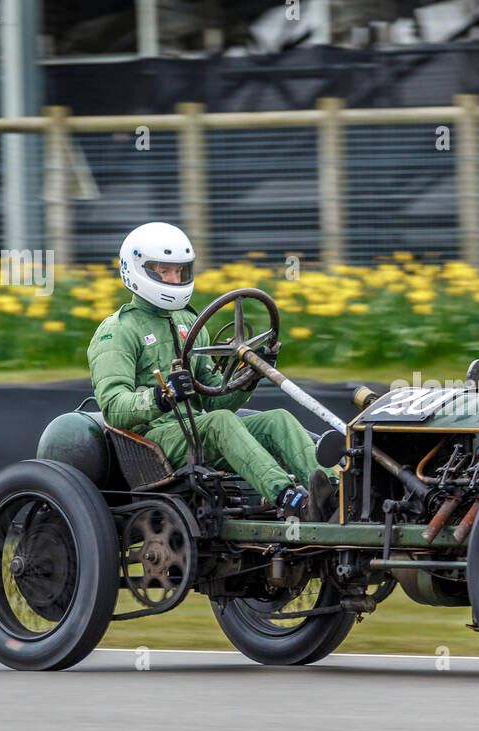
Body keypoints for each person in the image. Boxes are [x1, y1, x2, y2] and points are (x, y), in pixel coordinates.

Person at [87, 222, 335, 520]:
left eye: (180, 271)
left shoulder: (188, 324)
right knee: (221, 422)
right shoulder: (116, 331)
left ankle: (334, 493)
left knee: (277, 420)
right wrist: (163, 395)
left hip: (194, 429)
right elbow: (113, 408)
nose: (174, 278)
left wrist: (248, 378)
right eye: (164, 271)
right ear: (139, 269)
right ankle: (292, 500)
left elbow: (214, 399)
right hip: (152, 442)